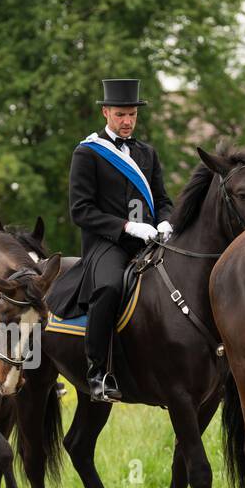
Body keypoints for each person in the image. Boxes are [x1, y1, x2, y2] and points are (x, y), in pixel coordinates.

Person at [65, 78, 173, 402]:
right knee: (110, 287)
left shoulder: (147, 153)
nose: (127, 122)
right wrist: (125, 227)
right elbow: (80, 210)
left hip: (150, 240)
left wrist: (167, 220)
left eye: (132, 115)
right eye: (120, 115)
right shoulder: (87, 153)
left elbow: (163, 199)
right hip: (106, 244)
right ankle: (98, 371)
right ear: (106, 112)